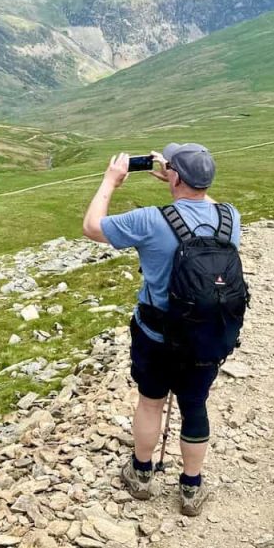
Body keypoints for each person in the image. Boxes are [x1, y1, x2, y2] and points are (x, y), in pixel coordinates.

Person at [82, 143, 242, 515]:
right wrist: (182, 180)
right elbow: (207, 205)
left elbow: (92, 226)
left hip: (156, 335)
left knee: (151, 402)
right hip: (206, 336)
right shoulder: (231, 217)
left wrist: (111, 181)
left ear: (175, 176)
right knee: (194, 405)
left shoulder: (152, 219)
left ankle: (141, 475)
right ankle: (190, 488)